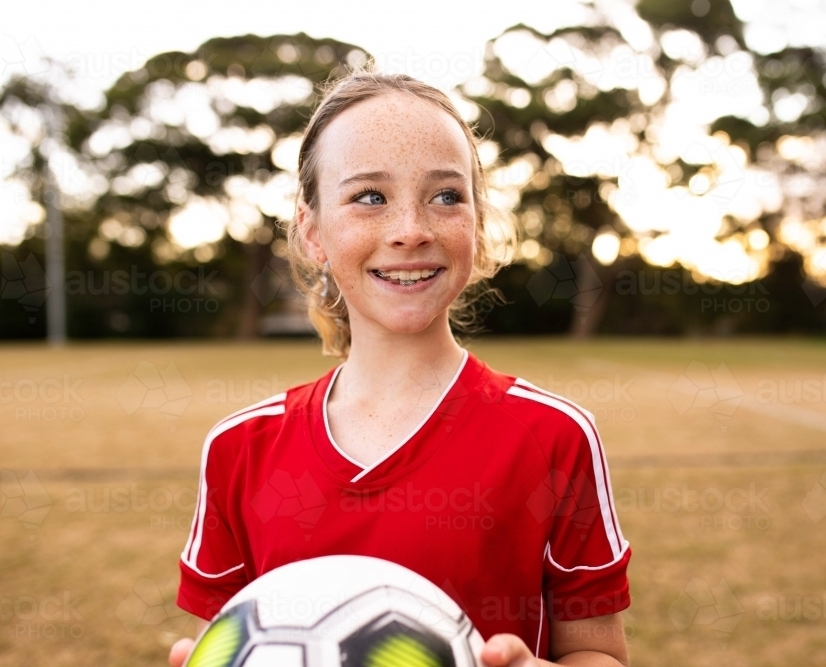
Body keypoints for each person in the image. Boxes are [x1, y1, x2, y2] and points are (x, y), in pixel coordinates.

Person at [168, 68, 631, 667]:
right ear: (312, 233)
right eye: (370, 198)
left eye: (445, 196)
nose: (411, 232)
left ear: (477, 222)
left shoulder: (554, 437)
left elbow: (600, 654)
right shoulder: (239, 448)